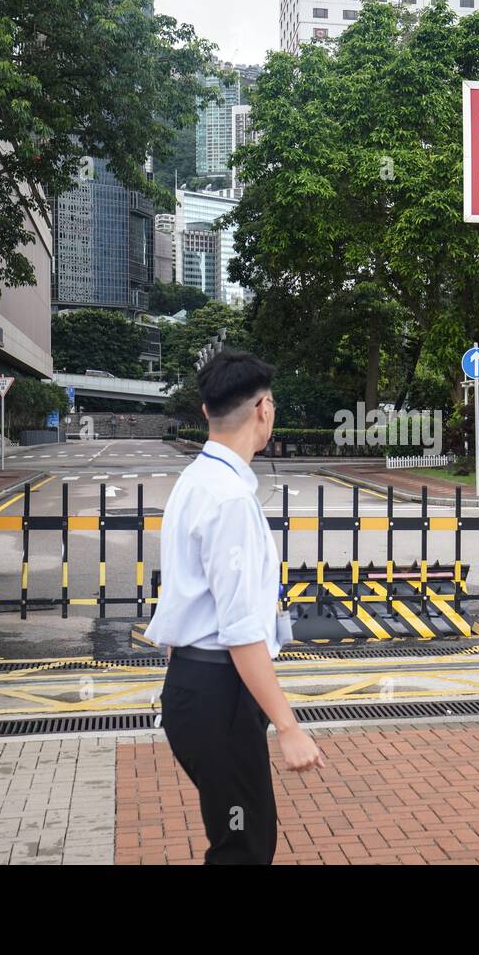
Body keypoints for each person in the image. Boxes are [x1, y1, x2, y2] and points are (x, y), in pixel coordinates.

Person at [146, 349, 326, 864]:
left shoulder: (195, 481)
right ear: (264, 409)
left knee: (237, 841)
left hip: (194, 686)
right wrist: (289, 728)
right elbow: (243, 631)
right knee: (245, 848)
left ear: (205, 412)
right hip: (220, 694)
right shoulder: (230, 499)